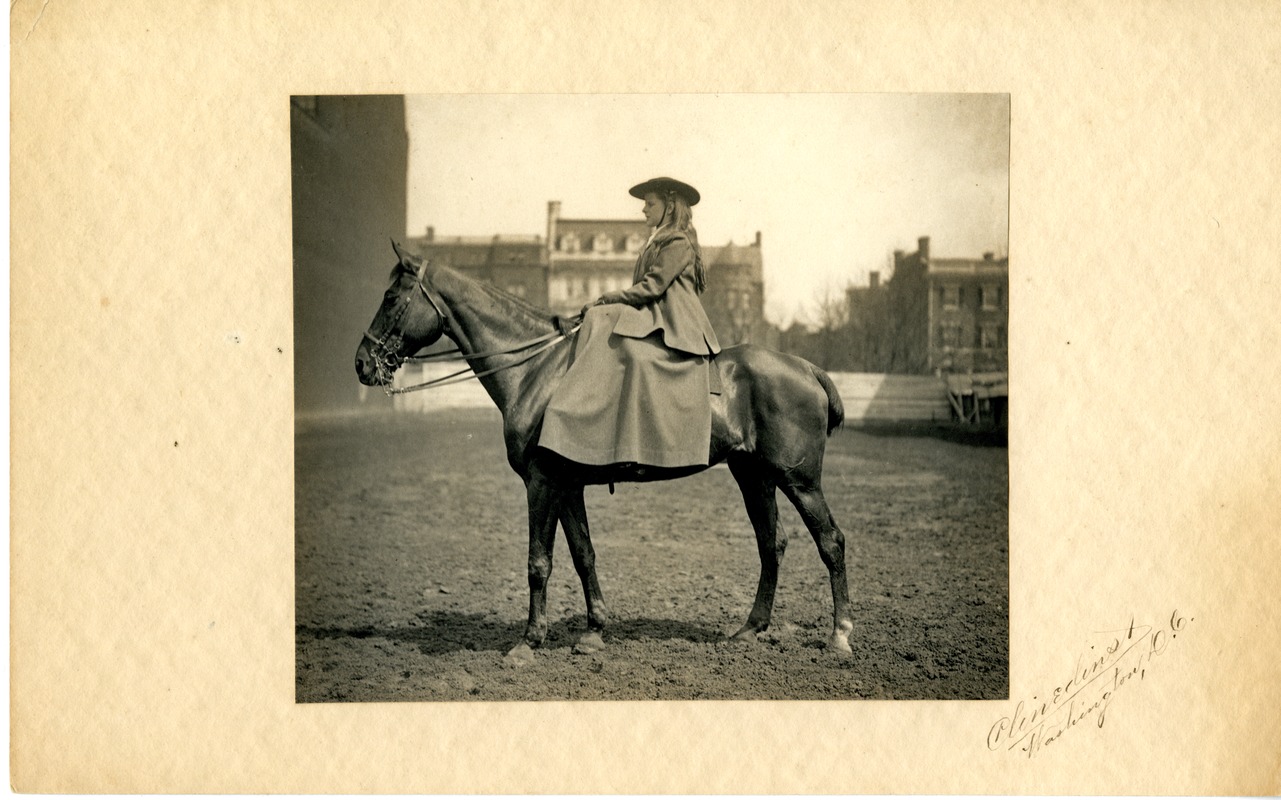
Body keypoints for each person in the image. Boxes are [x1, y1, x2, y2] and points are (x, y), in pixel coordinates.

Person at [538, 177, 722, 468]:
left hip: (676, 321)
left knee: (628, 348)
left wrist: (610, 297)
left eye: (651, 204)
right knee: (600, 320)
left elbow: (653, 287)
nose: (644, 210)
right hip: (655, 315)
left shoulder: (678, 242)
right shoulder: (657, 241)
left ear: (670, 207)